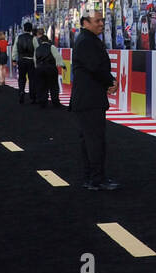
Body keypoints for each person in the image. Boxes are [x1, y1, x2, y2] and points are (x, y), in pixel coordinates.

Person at [70, 11, 117, 190]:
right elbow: (95, 67)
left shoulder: (85, 40)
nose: (101, 24)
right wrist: (111, 81)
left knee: (90, 140)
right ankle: (97, 179)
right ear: (85, 22)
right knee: (95, 140)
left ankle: (91, 177)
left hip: (87, 98)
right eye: (97, 21)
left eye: (102, 20)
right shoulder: (87, 41)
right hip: (90, 99)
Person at [33, 30, 60, 108]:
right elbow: (57, 56)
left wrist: (36, 67)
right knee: (53, 86)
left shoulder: (37, 49)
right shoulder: (52, 47)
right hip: (51, 68)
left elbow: (35, 59)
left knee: (42, 86)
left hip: (40, 68)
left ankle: (42, 102)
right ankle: (55, 102)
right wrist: (62, 65)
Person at [15, 23, 36, 104]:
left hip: (21, 60)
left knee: (21, 78)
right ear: (31, 29)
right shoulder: (33, 38)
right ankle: (32, 96)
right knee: (32, 79)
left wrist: (14, 59)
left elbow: (15, 49)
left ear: (23, 29)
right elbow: (37, 50)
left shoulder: (18, 37)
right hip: (30, 61)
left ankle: (21, 92)